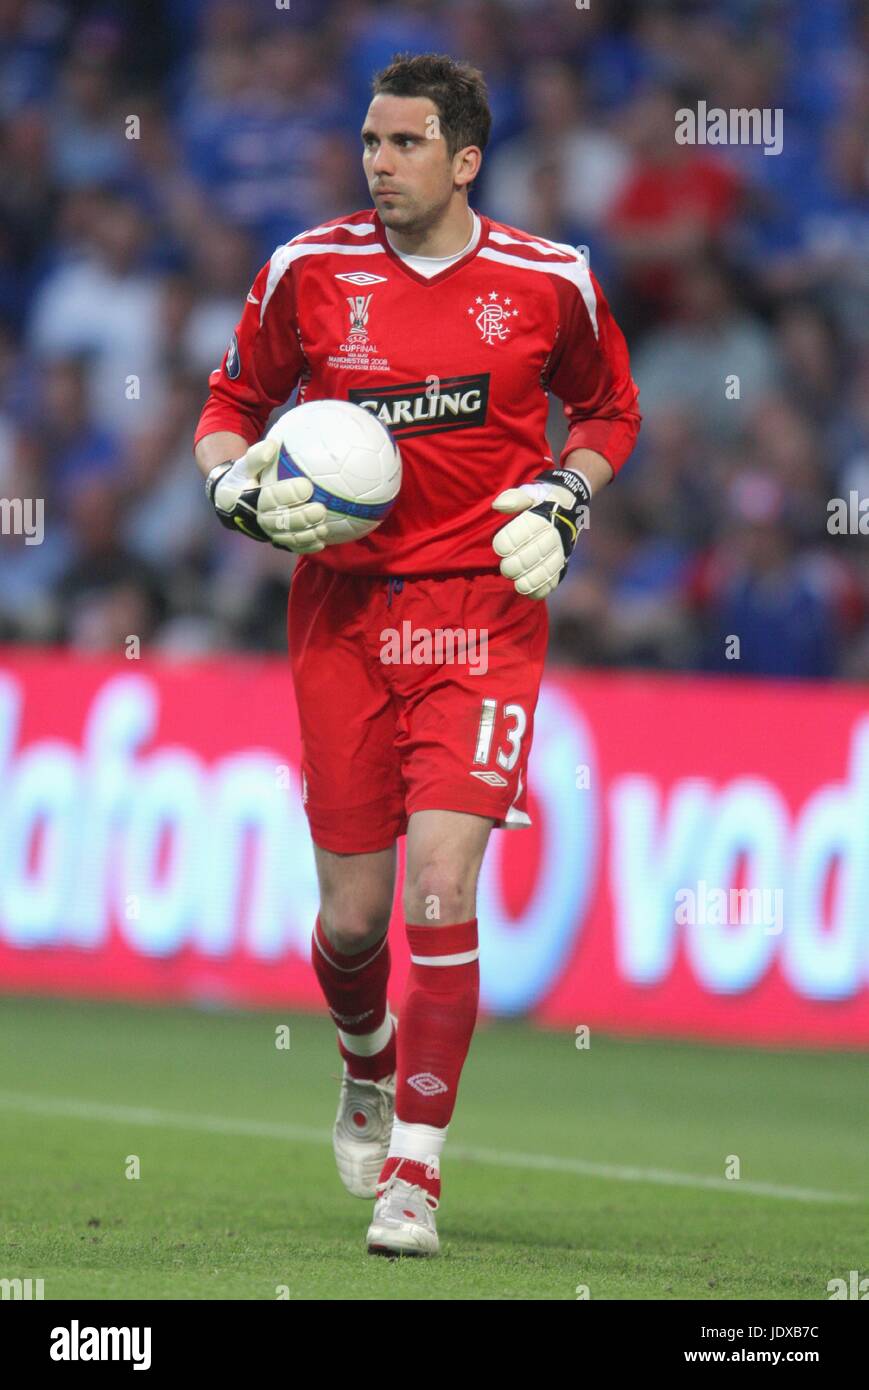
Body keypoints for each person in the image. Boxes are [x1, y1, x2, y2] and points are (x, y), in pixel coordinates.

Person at [193, 52, 640, 1257]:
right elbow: (231, 403)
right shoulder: (307, 269)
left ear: (464, 159)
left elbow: (608, 412)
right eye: (369, 143)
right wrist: (228, 485)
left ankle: (414, 1179)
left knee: (442, 888)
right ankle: (362, 1062)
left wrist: (564, 496)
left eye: (402, 145)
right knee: (352, 923)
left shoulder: (548, 283)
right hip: (341, 618)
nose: (377, 164)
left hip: (481, 613)